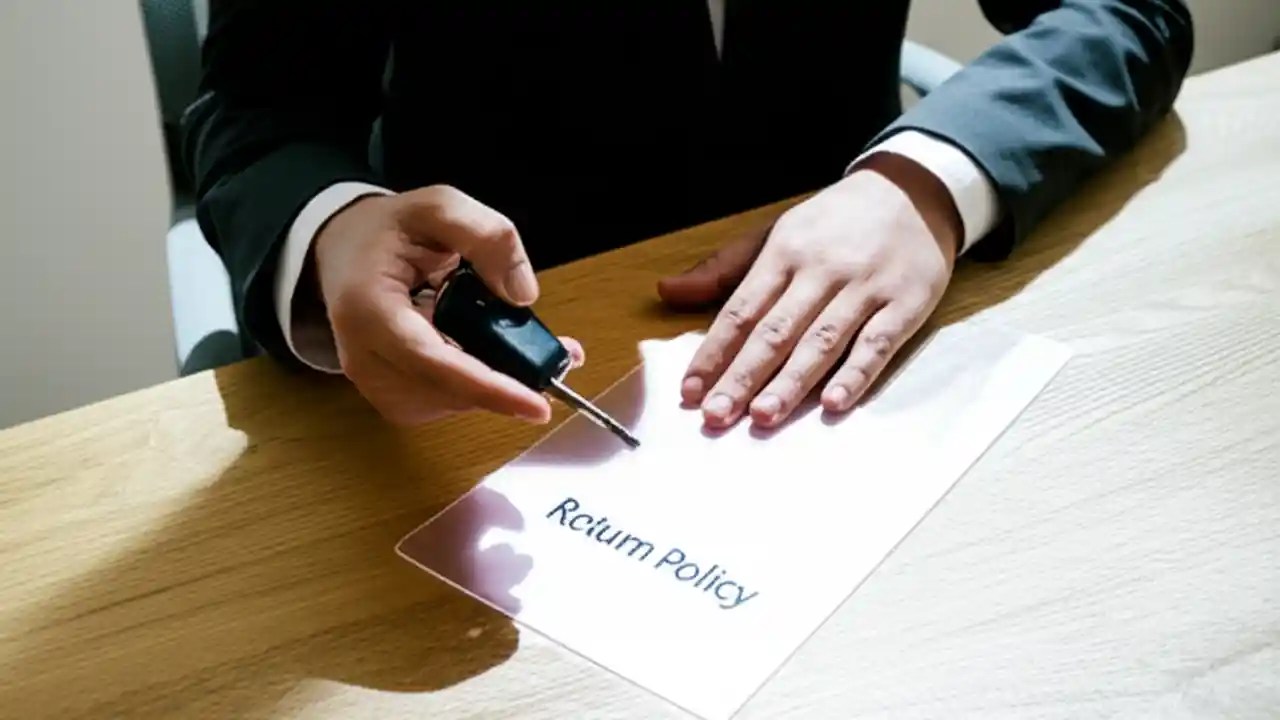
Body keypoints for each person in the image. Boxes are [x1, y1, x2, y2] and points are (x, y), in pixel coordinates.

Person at [182, 1, 1193, 430]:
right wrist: (330, 227)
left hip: (875, 335)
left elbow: (1125, 10)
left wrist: (925, 181)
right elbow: (258, 109)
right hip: (495, 374)